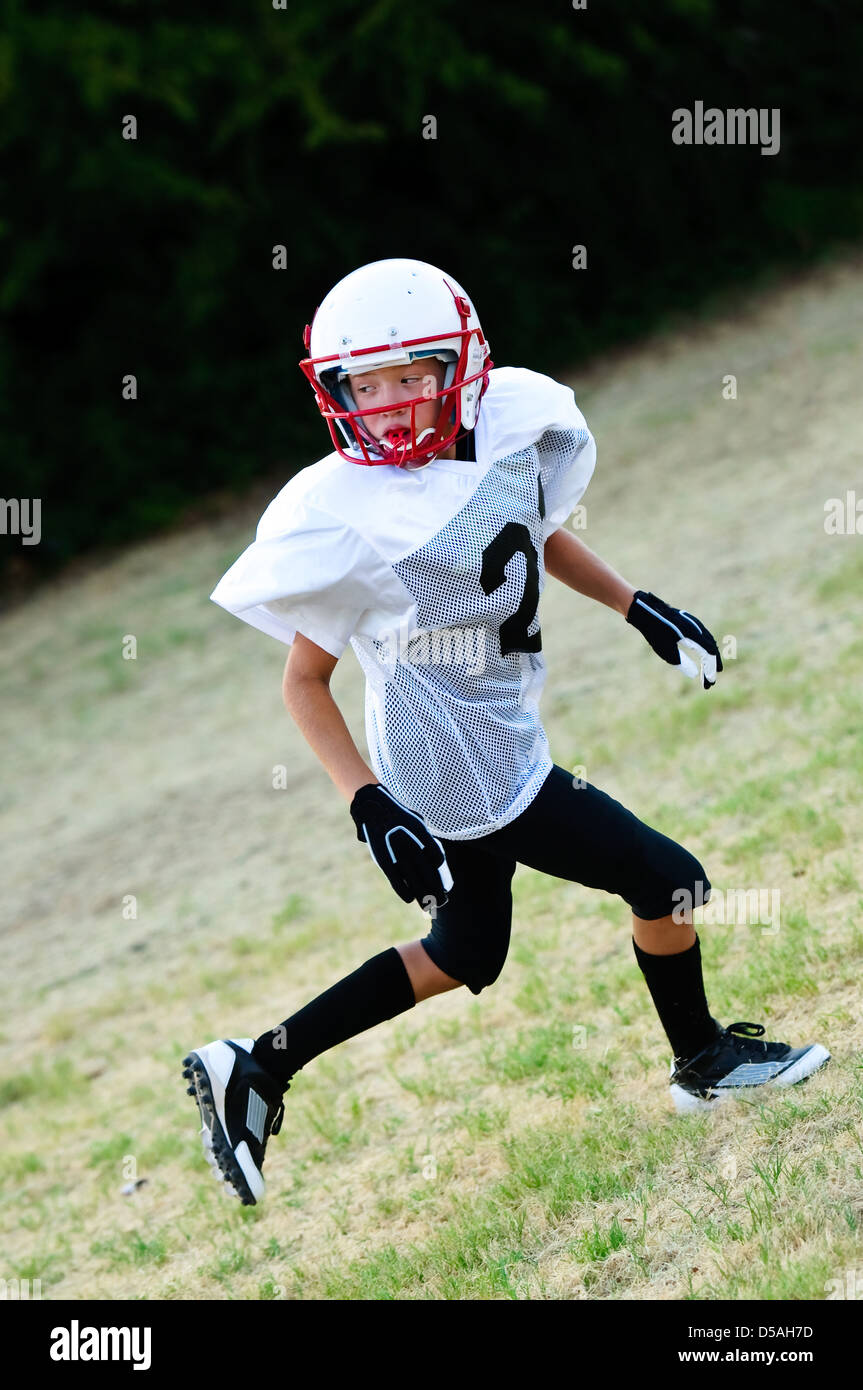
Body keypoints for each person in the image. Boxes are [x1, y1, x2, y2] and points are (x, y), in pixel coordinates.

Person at [182, 258, 830, 1205]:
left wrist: (633, 604)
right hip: (454, 763)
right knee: (668, 879)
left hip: (491, 733)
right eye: (367, 384)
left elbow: (527, 532)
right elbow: (305, 680)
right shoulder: (344, 518)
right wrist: (367, 802)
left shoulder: (506, 428)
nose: (392, 404)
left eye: (411, 376)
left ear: (461, 366)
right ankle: (701, 1059)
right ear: (337, 392)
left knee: (465, 950)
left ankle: (259, 1063)